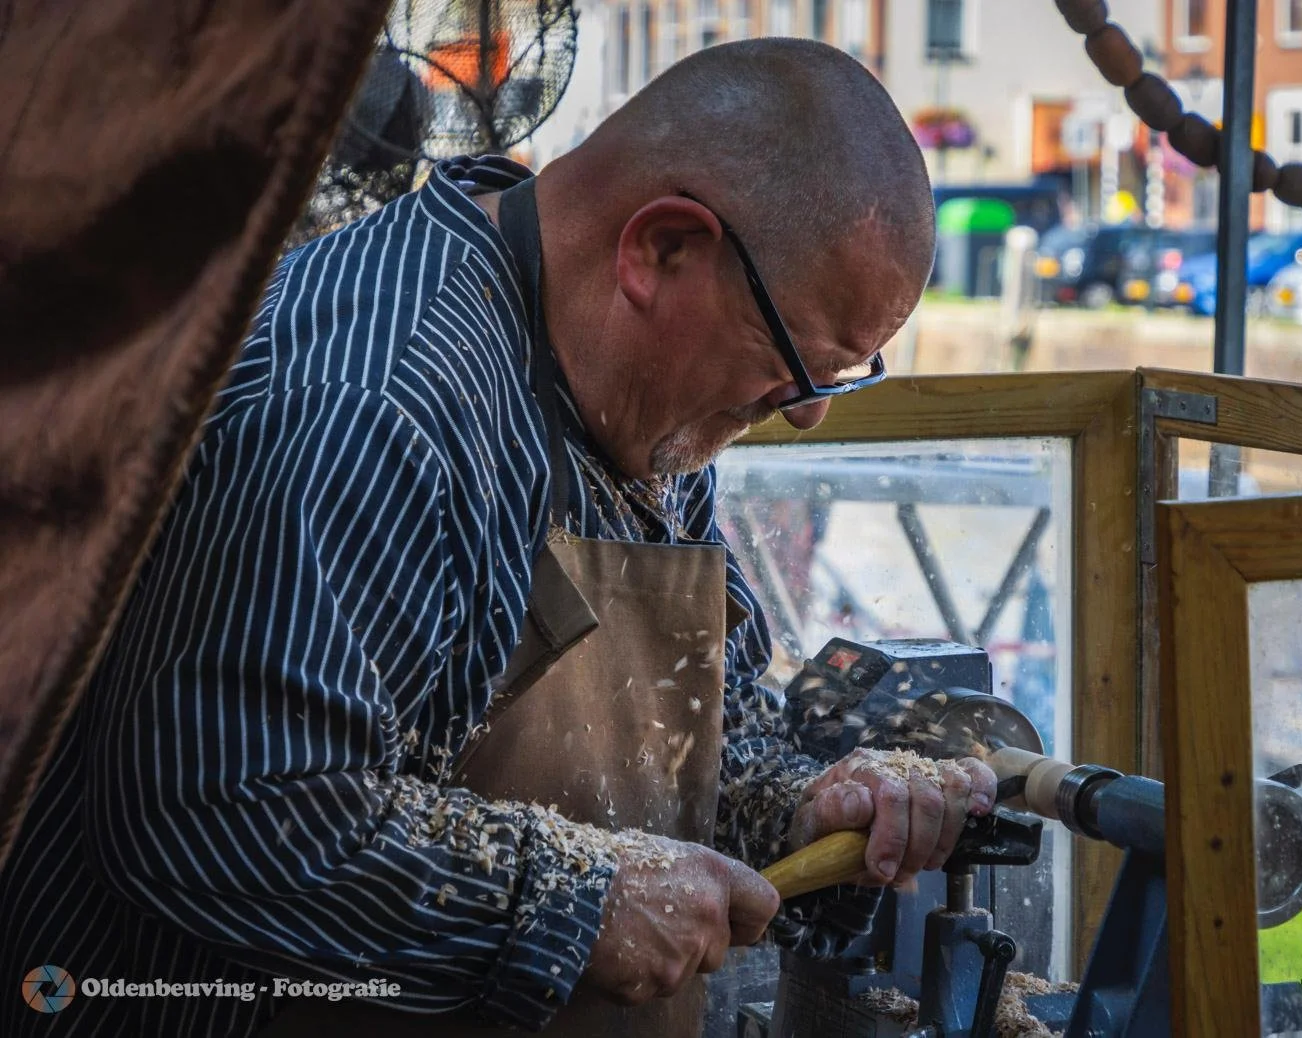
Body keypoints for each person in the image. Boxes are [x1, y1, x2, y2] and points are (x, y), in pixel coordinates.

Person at [0, 39, 998, 1037]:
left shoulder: (644, 405)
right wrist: (571, 902)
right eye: (797, 371)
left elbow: (704, 728)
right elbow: (222, 810)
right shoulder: (374, 406)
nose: (806, 415)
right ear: (661, 252)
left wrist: (799, 808)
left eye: (834, 380)